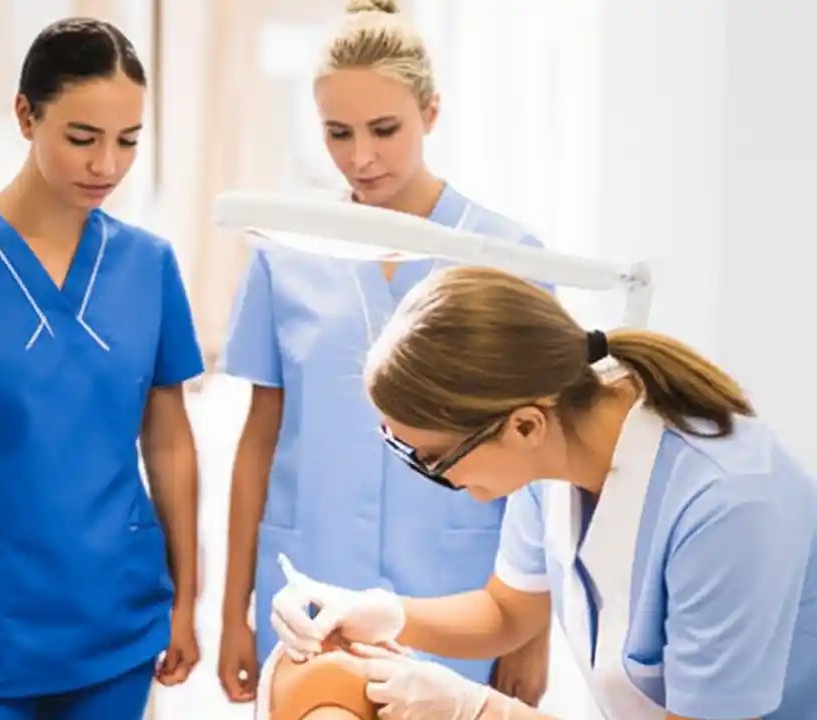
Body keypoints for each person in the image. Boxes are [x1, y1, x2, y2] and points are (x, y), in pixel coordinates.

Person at [271, 265, 817, 719]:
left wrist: (482, 712)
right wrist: (387, 614)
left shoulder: (730, 508)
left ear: (525, 426)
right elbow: (506, 613)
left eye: (437, 461)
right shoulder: (554, 456)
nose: (444, 482)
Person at [218, 0, 549, 707]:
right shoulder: (286, 254)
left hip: (463, 591)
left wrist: (532, 633)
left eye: (384, 130)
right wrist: (231, 614)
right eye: (338, 133)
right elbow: (258, 443)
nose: (360, 156)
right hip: (310, 588)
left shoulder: (507, 258)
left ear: (432, 112)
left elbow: (545, 457)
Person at [0, 17, 202, 720]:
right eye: (82, 138)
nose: (107, 166)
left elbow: (169, 440)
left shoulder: (149, 266)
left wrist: (188, 598)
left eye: (128, 142)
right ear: (25, 115)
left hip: (118, 621)